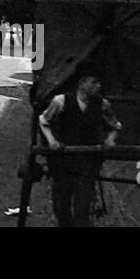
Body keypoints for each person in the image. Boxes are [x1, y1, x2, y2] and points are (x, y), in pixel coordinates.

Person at [38, 63, 121, 227]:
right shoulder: (60, 101)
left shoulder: (103, 105)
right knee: (60, 206)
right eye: (94, 82)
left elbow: (115, 126)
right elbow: (44, 121)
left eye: (99, 83)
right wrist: (52, 141)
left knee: (82, 209)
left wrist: (110, 140)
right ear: (82, 83)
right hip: (63, 162)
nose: (98, 86)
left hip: (88, 162)